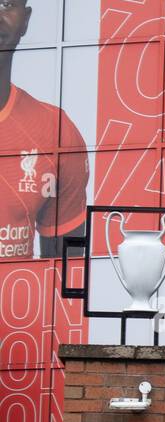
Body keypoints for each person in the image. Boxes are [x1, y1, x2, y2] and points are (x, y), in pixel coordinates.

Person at [0, 0, 87, 259]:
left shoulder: (55, 132)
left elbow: (66, 278)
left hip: (18, 299)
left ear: (25, 21)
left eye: (7, 3)